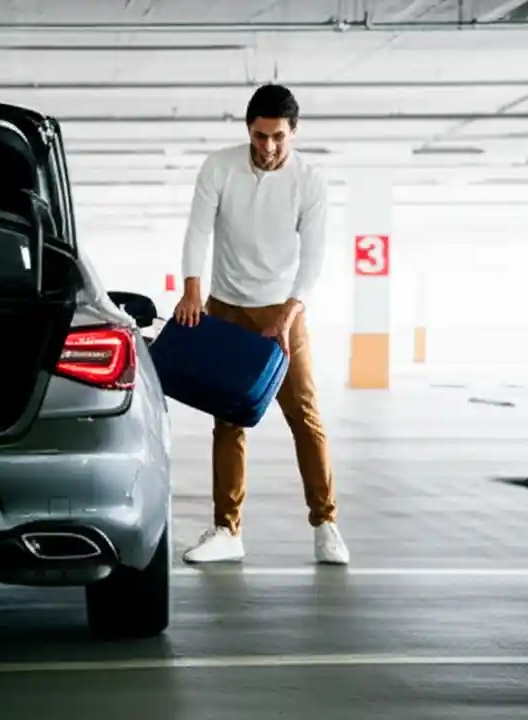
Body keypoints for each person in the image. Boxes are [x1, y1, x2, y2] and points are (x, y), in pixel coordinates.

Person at [173, 83, 349, 566]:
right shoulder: (219, 167)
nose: (267, 147)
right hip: (226, 308)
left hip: (283, 311)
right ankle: (227, 530)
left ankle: (325, 524)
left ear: (293, 132)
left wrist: (291, 311)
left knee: (305, 417)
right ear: (247, 130)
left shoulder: (309, 181)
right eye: (258, 136)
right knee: (227, 421)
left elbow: (313, 256)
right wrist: (192, 288)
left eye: (277, 137)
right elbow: (198, 229)